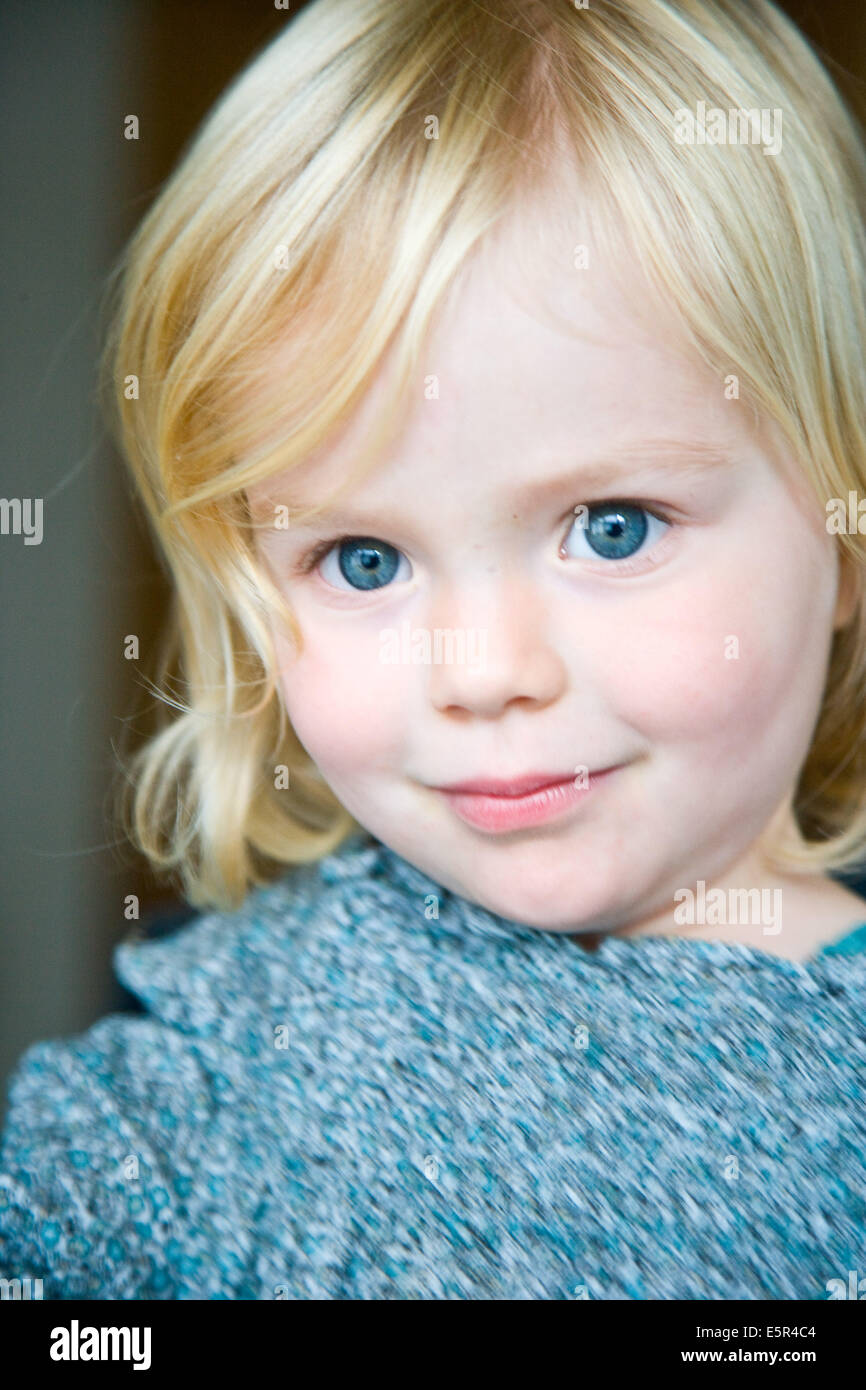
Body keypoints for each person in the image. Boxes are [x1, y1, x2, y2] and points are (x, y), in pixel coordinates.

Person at [2, 0, 866, 1299]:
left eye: (612, 526)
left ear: (843, 527)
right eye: (363, 560)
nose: (480, 670)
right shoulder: (224, 1043)